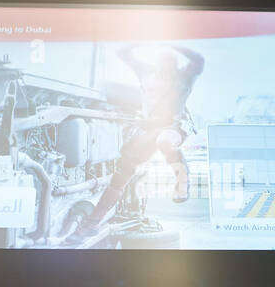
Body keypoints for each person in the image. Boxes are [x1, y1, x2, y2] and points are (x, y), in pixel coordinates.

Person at [66, 43, 203, 244]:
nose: (166, 67)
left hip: (173, 127)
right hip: (148, 129)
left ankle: (183, 180)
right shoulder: (146, 72)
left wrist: (174, 45)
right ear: (157, 64)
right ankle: (92, 223)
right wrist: (141, 40)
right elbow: (121, 51)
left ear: (176, 65)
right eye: (163, 63)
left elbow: (199, 60)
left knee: (165, 141)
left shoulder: (184, 76)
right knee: (119, 179)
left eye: (170, 63)